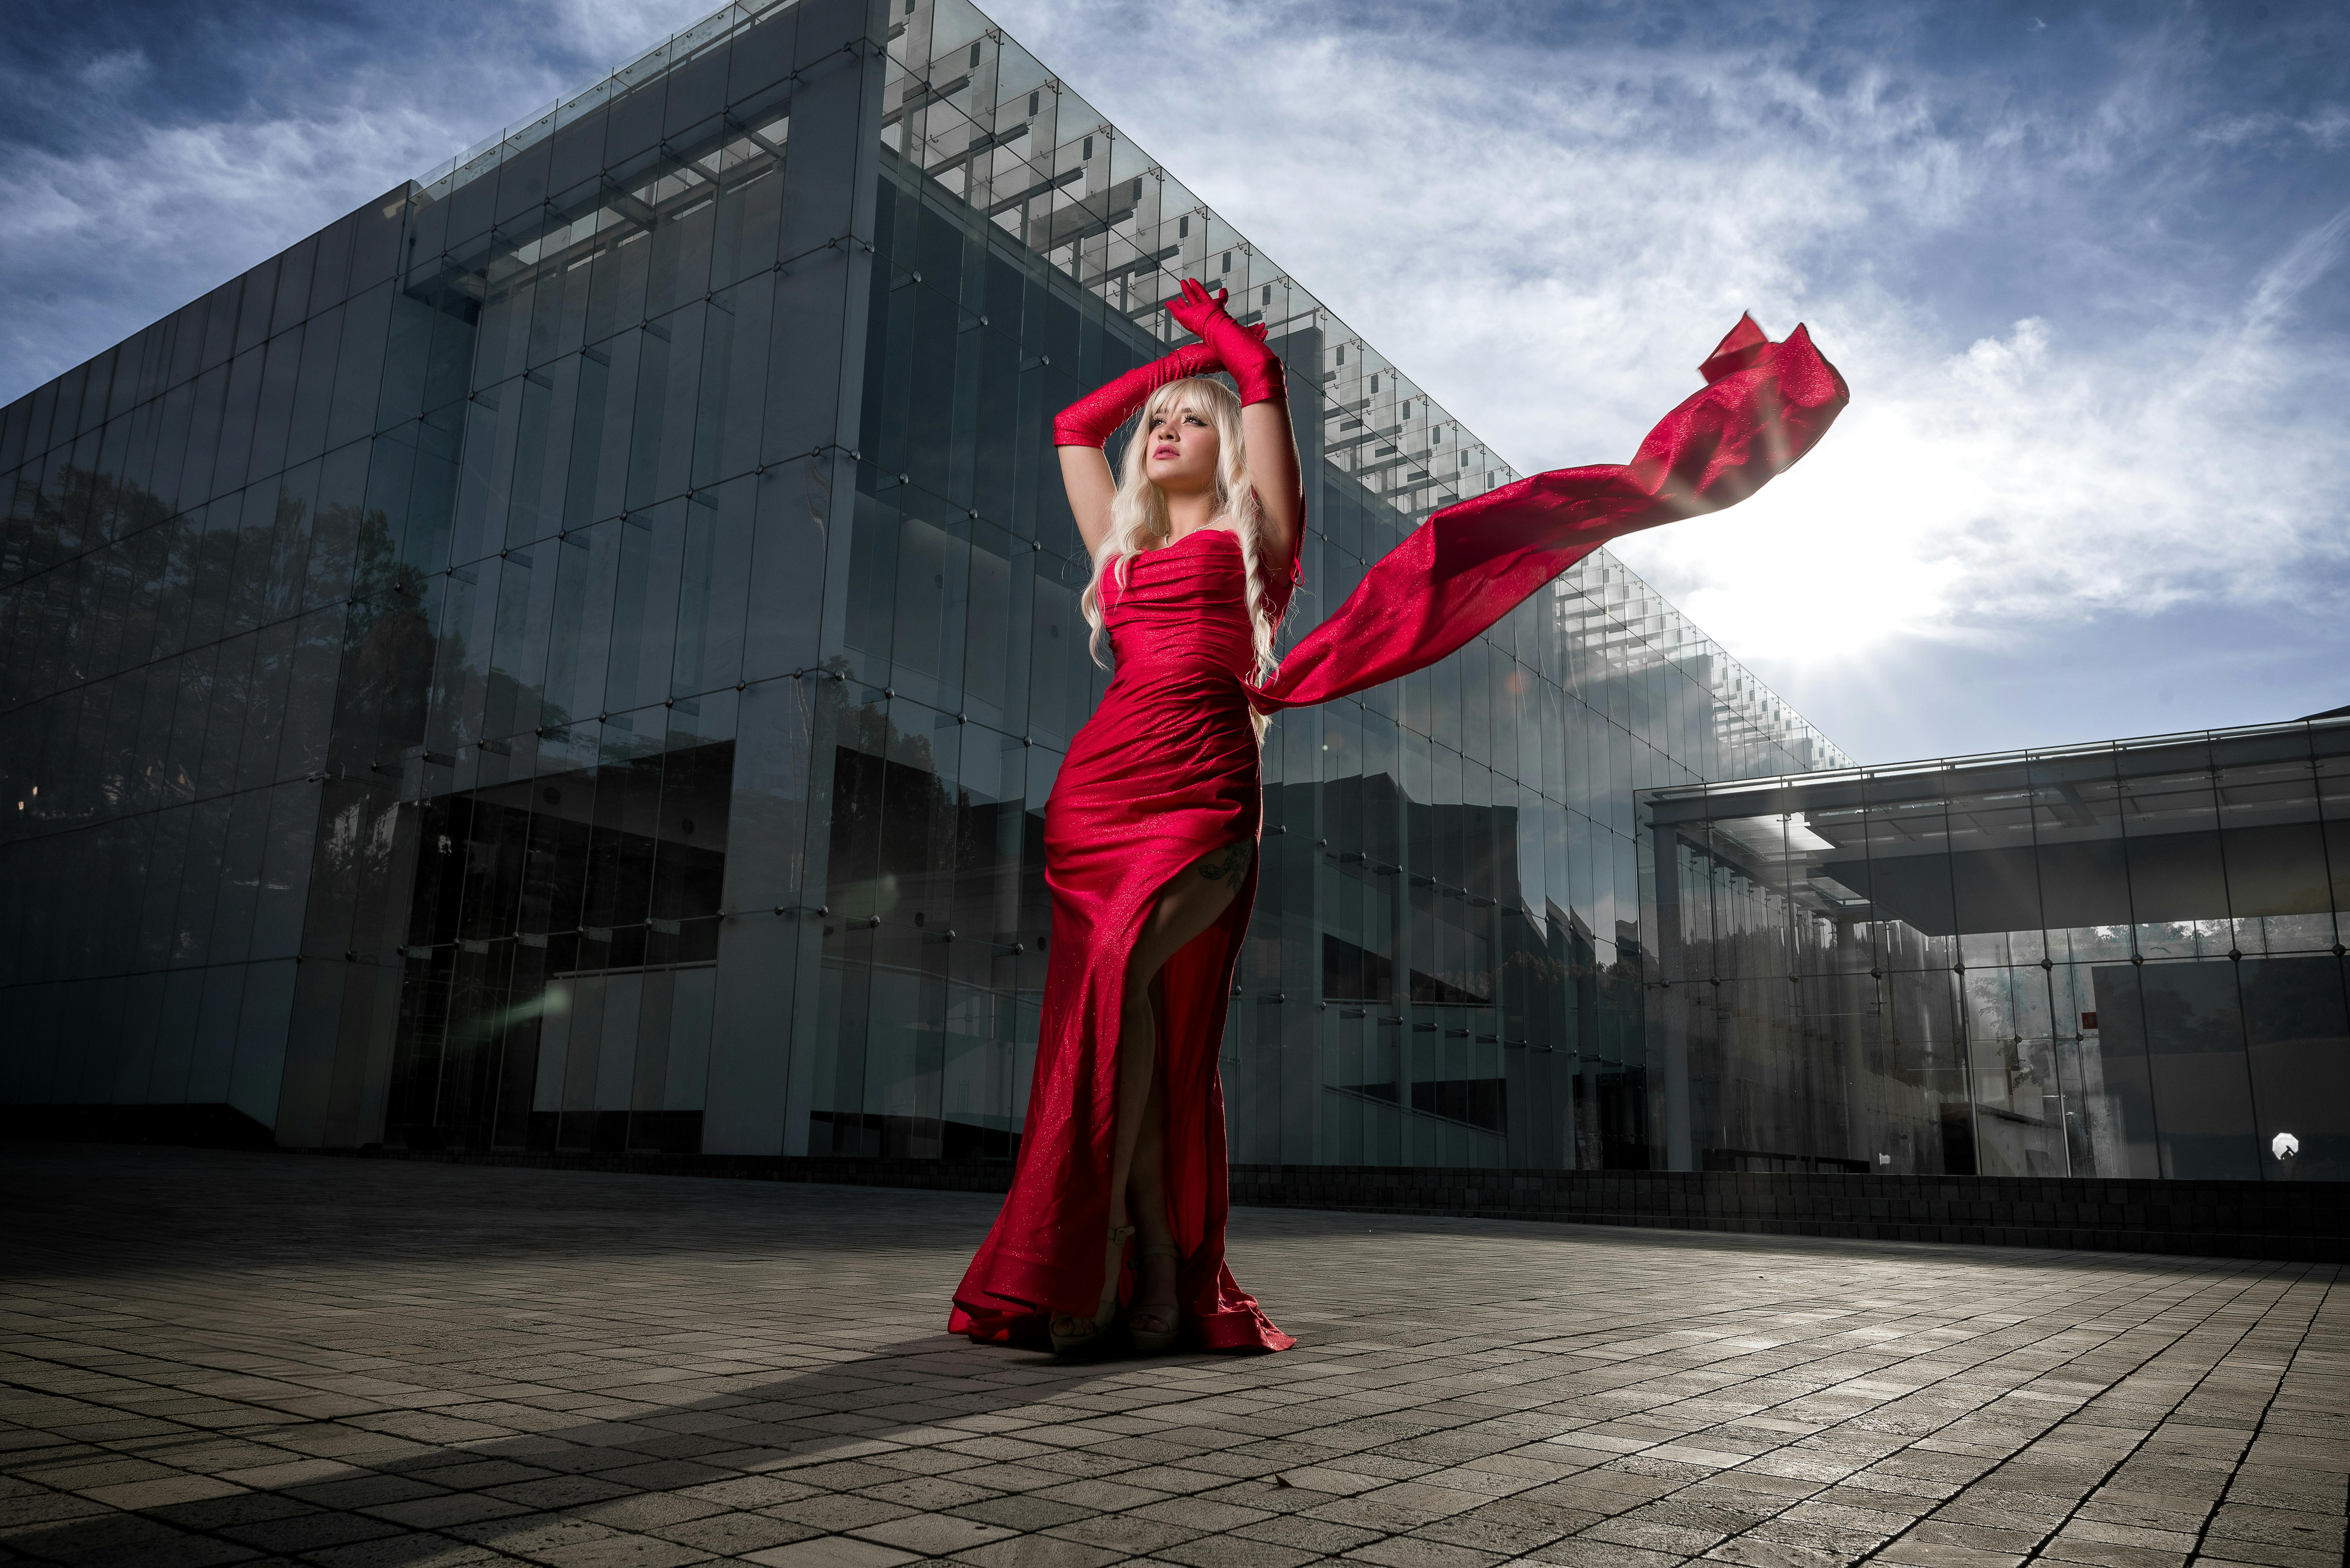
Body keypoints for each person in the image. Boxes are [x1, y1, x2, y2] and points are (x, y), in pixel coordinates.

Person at [950, 280, 1849, 1357]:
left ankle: (1110, 1258)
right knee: (1119, 1015)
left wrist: (1228, 353)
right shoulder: (1120, 551)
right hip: (1097, 792)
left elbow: (1259, 387)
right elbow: (1071, 427)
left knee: (1124, 991)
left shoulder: (1256, 541)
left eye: (1190, 422)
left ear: (1228, 446)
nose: (1163, 432)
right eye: (1154, 426)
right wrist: (1170, 370)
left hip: (1200, 786)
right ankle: (1133, 1256)